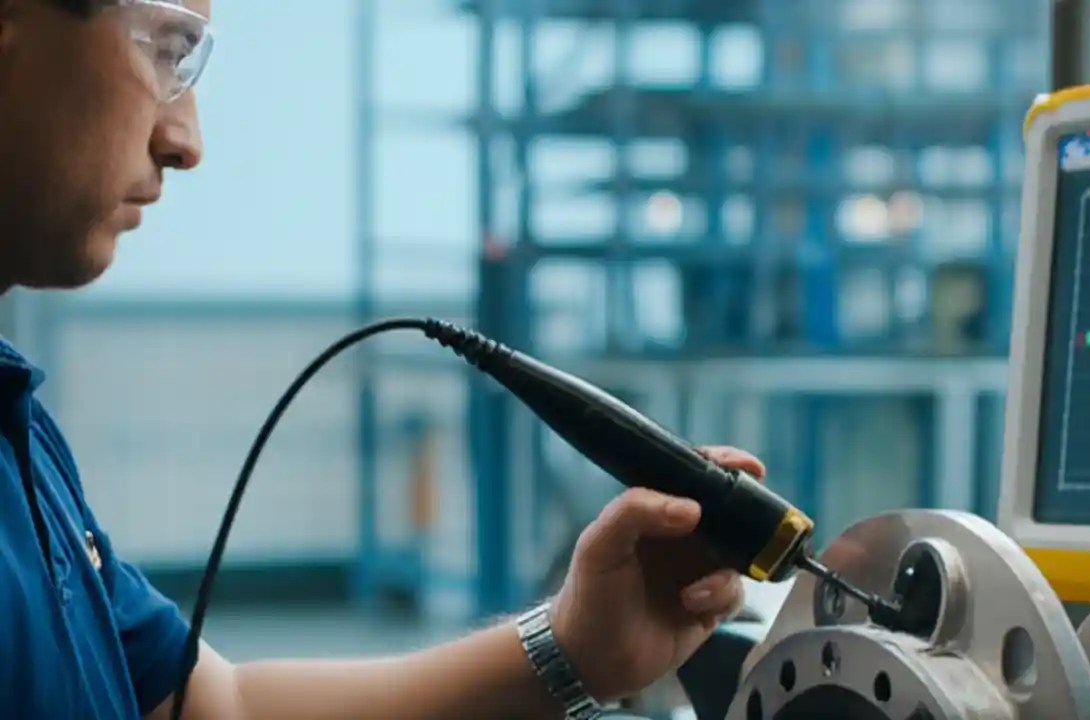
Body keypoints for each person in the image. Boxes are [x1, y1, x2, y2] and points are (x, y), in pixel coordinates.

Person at [0, 1, 762, 717]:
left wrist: (570, 649)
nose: (186, 140)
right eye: (167, 50)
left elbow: (216, 706)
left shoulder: (24, 440)